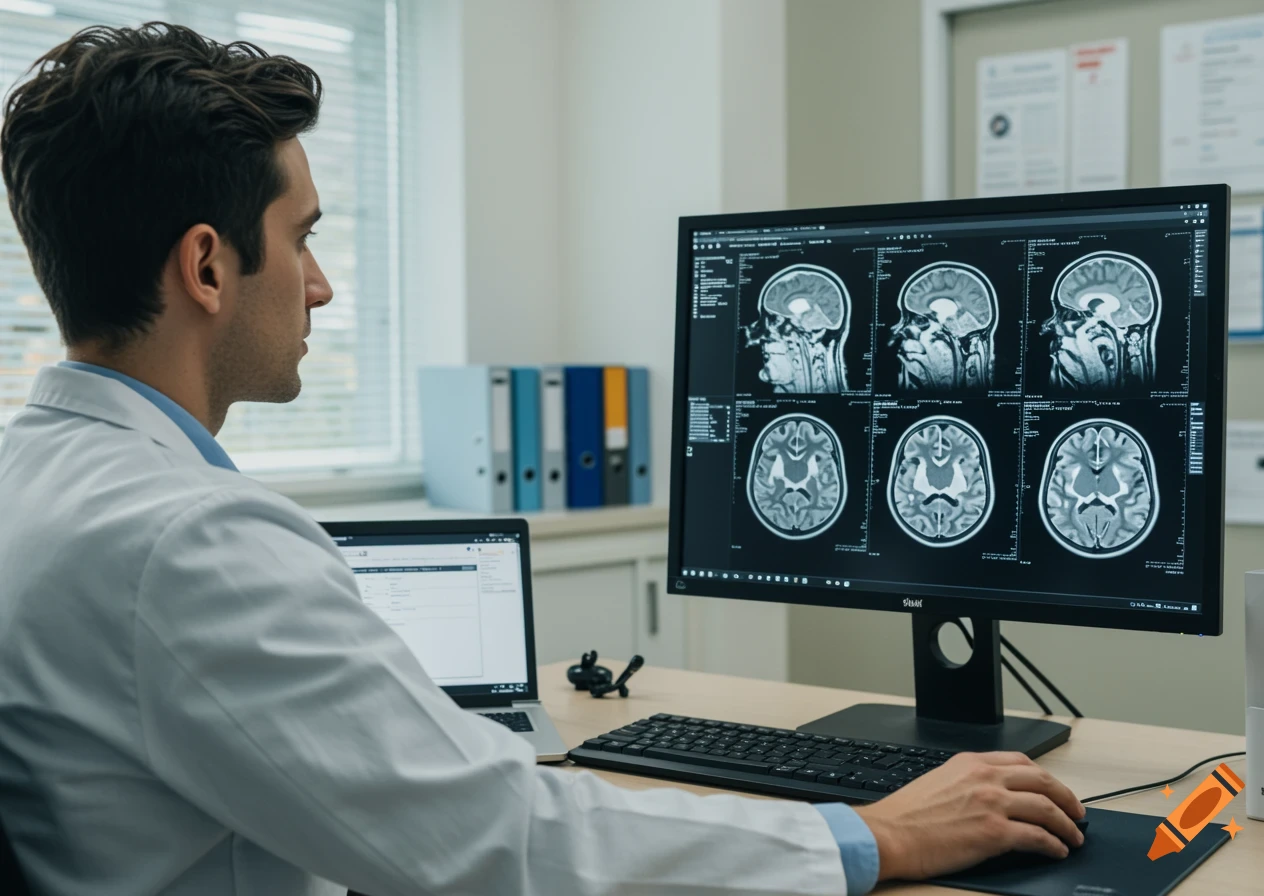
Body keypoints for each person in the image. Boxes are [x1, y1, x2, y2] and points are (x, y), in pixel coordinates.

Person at [0, 23, 1086, 896]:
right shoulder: (187, 539)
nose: (320, 285)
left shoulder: (36, 481)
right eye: (304, 237)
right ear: (206, 265)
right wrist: (869, 837)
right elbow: (496, 842)